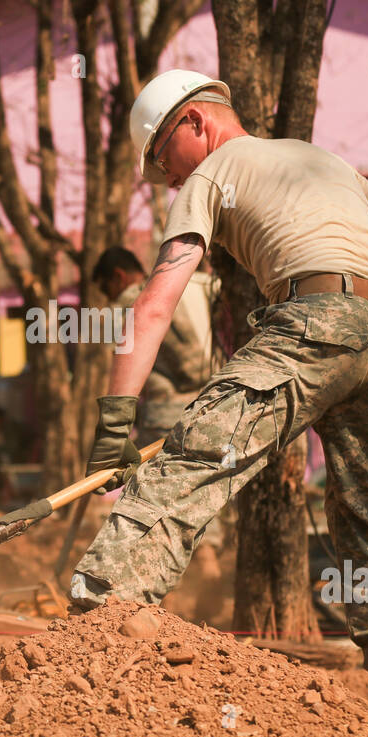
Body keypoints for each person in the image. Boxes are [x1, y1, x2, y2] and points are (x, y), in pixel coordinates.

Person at [69, 69, 368, 725]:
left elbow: (155, 305)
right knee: (367, 521)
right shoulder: (324, 163)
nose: (167, 178)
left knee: (192, 462)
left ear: (196, 123)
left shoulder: (211, 174)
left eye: (163, 156)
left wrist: (114, 425)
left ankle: (93, 633)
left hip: (313, 320)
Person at [92, 245, 227, 586]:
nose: (110, 296)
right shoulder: (194, 283)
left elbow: (126, 365)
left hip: (165, 412)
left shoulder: (130, 300)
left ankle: (150, 582)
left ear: (118, 277)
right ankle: (208, 567)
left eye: (107, 288)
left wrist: (115, 428)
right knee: (201, 485)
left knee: (155, 493)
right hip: (211, 404)